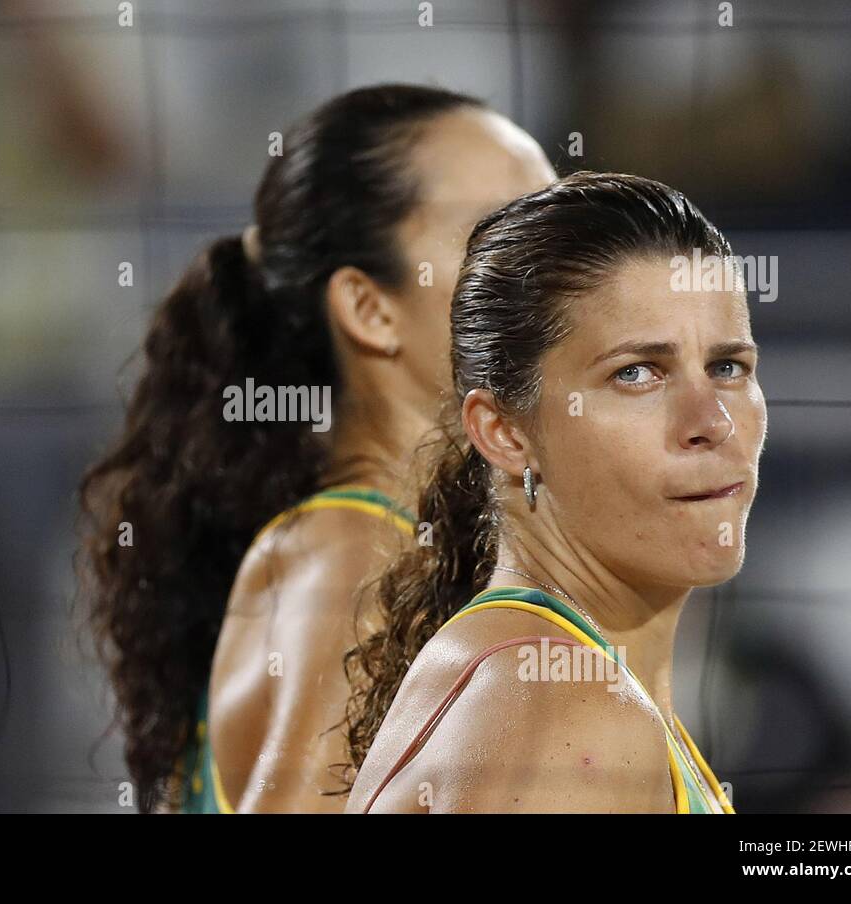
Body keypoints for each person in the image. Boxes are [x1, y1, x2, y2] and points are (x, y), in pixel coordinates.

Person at [77, 84, 554, 812]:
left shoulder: (412, 552)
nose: (569, 276)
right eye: (499, 238)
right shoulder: (355, 557)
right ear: (368, 308)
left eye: (564, 234)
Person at [345, 171, 765, 814]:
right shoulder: (570, 718)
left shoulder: (542, 682)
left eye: (727, 367)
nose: (713, 423)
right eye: (637, 374)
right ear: (505, 432)